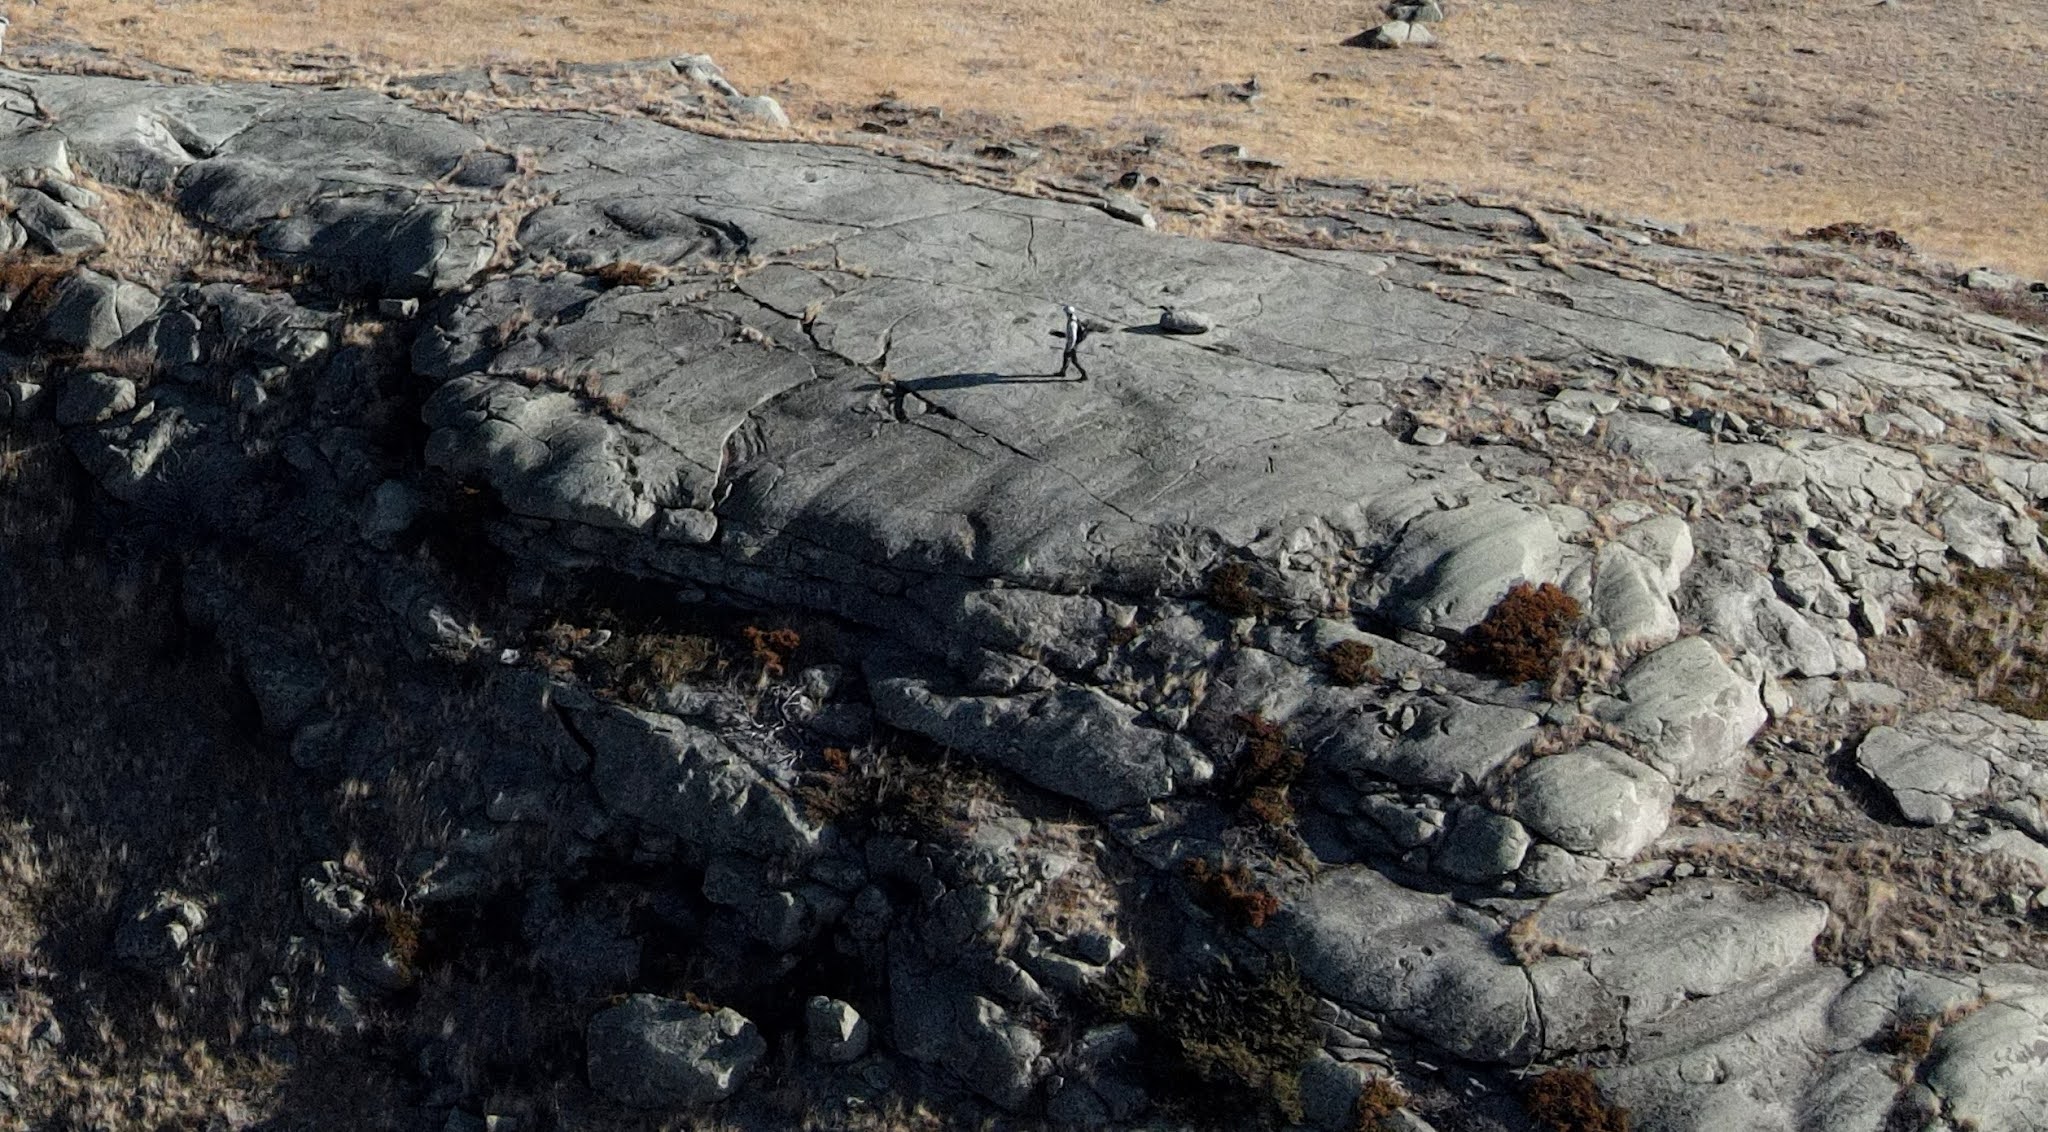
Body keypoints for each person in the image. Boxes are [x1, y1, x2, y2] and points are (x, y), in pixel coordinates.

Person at [1055, 304, 1091, 380]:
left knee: (1073, 360)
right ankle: (1063, 371)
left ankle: (1084, 374)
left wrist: (1070, 347)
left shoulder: (1072, 324)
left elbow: (1073, 337)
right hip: (1072, 342)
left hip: (1072, 344)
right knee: (1066, 356)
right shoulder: (1074, 318)